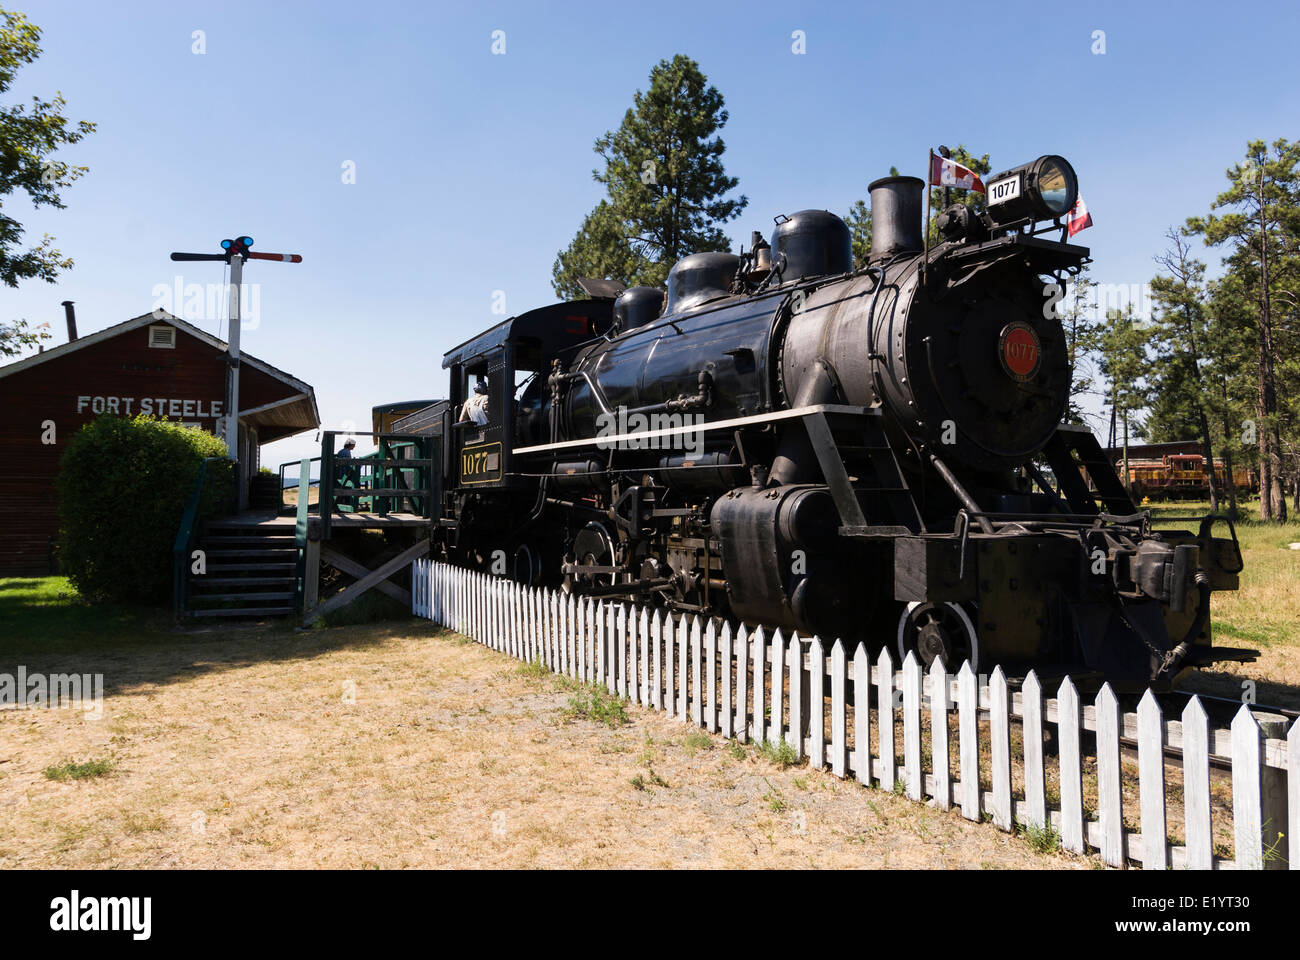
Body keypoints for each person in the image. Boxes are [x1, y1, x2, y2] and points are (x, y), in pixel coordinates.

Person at [336, 438, 358, 512]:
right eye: (353, 445)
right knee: (347, 488)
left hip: (339, 473)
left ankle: (340, 504)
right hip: (345, 473)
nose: (354, 447)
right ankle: (347, 505)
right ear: (350, 445)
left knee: (341, 489)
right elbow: (348, 463)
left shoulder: (341, 451)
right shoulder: (347, 452)